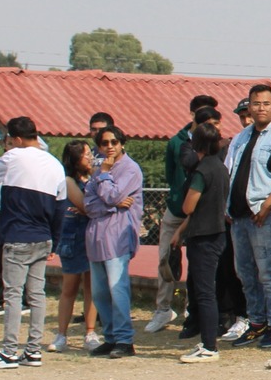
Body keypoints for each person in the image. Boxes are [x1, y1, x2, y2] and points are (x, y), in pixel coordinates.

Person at [0, 117, 66, 369]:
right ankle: (33, 350)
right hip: (43, 237)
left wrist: (8, 154)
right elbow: (60, 209)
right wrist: (54, 243)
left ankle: (8, 352)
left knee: (13, 295)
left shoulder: (13, 157)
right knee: (37, 294)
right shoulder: (55, 165)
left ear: (15, 139)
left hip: (17, 235)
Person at [224, 84, 271, 350]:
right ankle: (256, 323)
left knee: (269, 272)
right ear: (249, 107)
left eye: (266, 104)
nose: (261, 108)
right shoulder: (240, 137)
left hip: (268, 214)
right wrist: (228, 207)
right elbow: (229, 172)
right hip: (240, 216)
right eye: (256, 104)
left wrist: (268, 205)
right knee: (244, 272)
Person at [148, 94, 216, 335]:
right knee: (165, 258)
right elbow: (171, 173)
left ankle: (191, 309)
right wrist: (180, 196)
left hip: (203, 214)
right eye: (202, 115)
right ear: (192, 115)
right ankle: (163, 308)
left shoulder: (216, 144)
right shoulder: (177, 142)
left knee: (198, 264)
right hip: (178, 208)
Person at [171, 120, 231, 363]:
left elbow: (189, 206)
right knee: (208, 290)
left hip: (203, 238)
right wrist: (180, 232)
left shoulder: (201, 171)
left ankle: (209, 345)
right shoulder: (220, 168)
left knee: (205, 293)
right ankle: (208, 342)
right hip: (217, 232)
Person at [83, 125, 144, 358]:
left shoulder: (130, 169)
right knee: (99, 292)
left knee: (117, 289)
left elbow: (113, 195)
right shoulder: (97, 169)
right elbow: (89, 203)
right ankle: (110, 337)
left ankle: (124, 339)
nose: (109, 147)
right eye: (104, 143)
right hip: (96, 235)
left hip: (117, 236)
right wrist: (110, 204)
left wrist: (107, 179)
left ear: (122, 143)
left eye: (113, 142)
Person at [50, 140, 99, 352]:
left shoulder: (96, 178)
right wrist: (94, 208)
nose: (90, 158)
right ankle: (61, 334)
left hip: (92, 237)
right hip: (73, 237)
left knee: (92, 287)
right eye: (85, 154)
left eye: (90, 153)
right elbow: (87, 206)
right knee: (69, 287)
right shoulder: (69, 181)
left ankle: (90, 332)